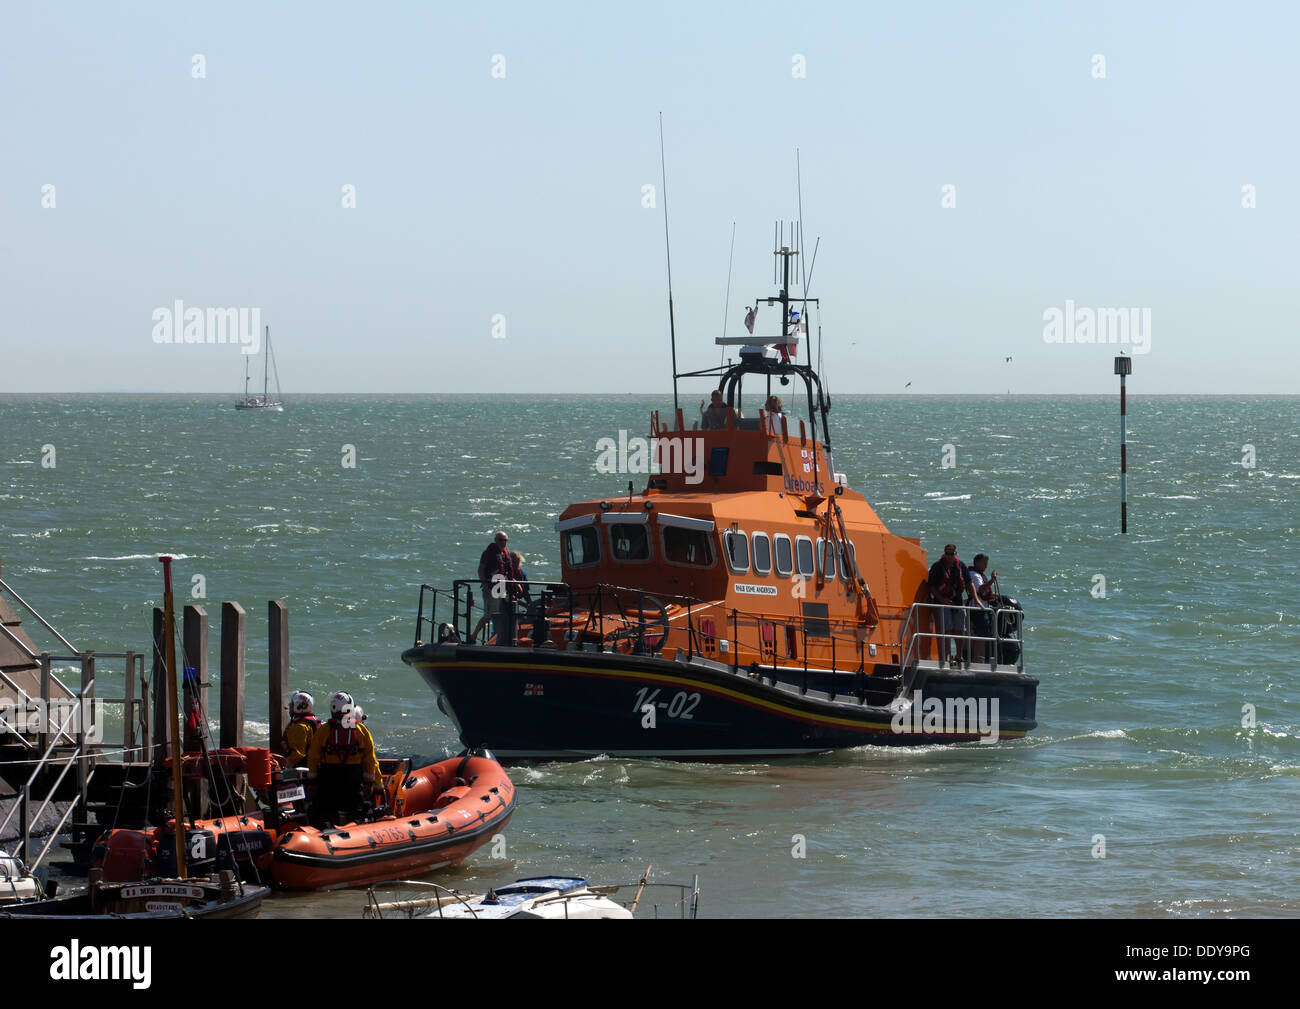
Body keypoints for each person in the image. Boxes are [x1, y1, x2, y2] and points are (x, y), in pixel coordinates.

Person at [307, 691, 384, 827]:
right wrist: (370, 783)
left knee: (324, 815)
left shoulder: (323, 731)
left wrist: (312, 782)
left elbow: (313, 758)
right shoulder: (361, 731)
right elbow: (370, 760)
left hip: (328, 779)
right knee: (355, 815)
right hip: (352, 780)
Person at [927, 544, 967, 667]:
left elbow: (969, 583)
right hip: (942, 603)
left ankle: (959, 656)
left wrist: (976, 599)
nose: (949, 556)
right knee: (947, 630)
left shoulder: (960, 566)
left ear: (956, 553)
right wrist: (942, 599)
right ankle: (947, 657)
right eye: (947, 553)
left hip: (957, 602)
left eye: (952, 553)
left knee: (960, 630)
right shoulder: (937, 567)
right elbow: (931, 586)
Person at [472, 531, 513, 640]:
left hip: (502, 587)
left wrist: (515, 583)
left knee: (501, 614)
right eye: (500, 540)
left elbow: (507, 571)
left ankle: (496, 638)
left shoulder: (504, 554)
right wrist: (485, 586)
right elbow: (480, 570)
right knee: (489, 615)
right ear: (495, 540)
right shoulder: (488, 553)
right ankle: (474, 635)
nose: (503, 542)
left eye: (505, 540)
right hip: (491, 587)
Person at [965, 554, 997, 663]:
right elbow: (980, 590)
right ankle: (976, 658)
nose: (986, 566)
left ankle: (976, 657)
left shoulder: (979, 575)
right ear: (977, 562)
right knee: (981, 633)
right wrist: (992, 580)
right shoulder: (974, 575)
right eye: (984, 564)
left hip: (982, 607)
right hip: (977, 608)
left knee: (982, 633)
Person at [281, 690, 321, 767]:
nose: (289, 706)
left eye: (291, 705)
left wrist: (282, 767)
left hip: (301, 768)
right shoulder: (307, 722)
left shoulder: (299, 727)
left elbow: (298, 756)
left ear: (299, 706)